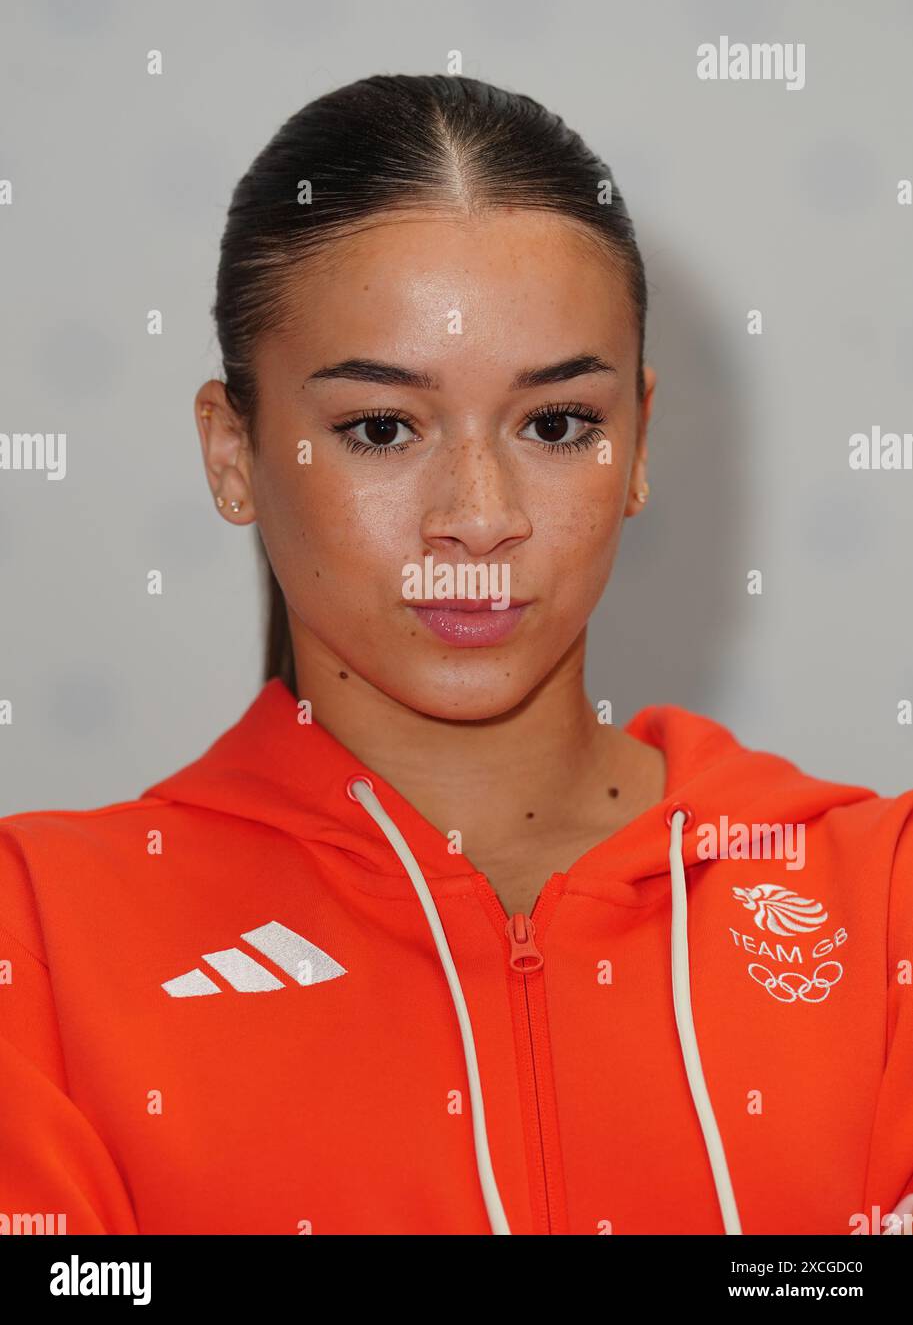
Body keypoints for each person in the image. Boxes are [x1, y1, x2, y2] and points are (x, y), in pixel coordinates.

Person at [1, 74, 911, 1238]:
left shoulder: (881, 902)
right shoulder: (37, 944)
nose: (478, 518)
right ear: (233, 454)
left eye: (555, 423)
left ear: (634, 444)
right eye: (380, 428)